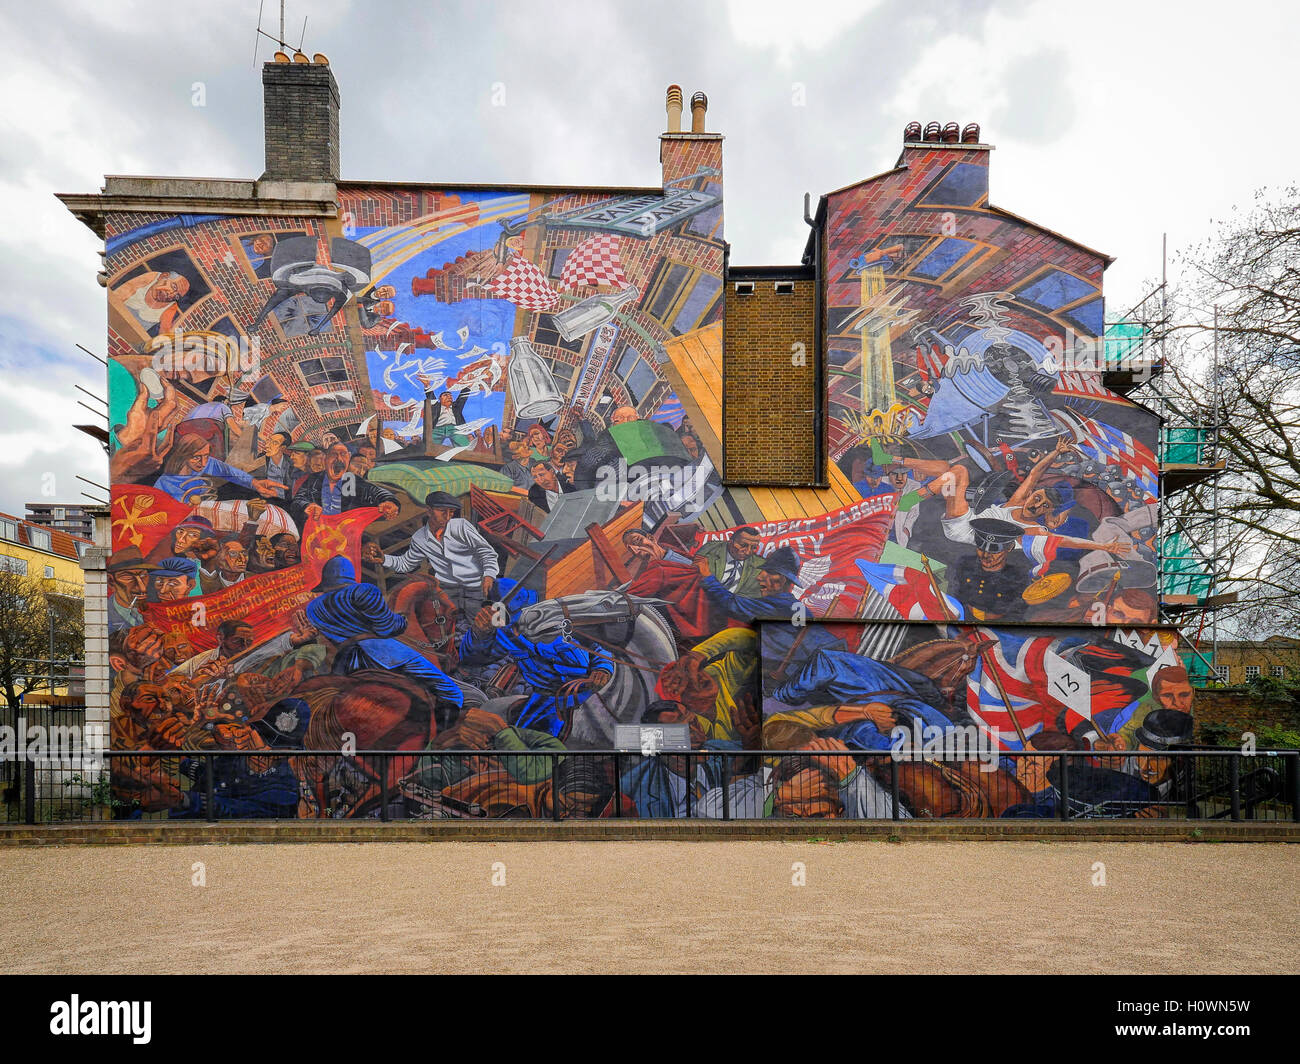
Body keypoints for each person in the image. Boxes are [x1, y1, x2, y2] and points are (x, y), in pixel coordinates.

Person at [305, 557, 463, 728]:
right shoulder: (364, 591)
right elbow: (386, 627)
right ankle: (441, 735)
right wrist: (401, 620)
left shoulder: (313, 608)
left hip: (344, 662)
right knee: (450, 691)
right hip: (381, 652)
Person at [365, 491, 498, 620]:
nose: (447, 517)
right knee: (440, 626)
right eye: (442, 511)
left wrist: (489, 575)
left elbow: (486, 552)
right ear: (429, 511)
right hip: (446, 590)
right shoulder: (420, 538)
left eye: (451, 512)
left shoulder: (461, 526)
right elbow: (406, 564)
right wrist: (383, 559)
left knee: (479, 623)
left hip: (474, 586)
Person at [290, 442, 399, 528]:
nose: (339, 459)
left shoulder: (353, 480)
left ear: (348, 457)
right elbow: (298, 500)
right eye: (334, 454)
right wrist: (306, 506)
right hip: (318, 532)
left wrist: (390, 502)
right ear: (326, 458)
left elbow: (378, 492)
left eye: (343, 454)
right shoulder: (313, 479)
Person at [155, 435, 285, 503]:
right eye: (197, 457)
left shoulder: (201, 464)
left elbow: (228, 471)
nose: (204, 462)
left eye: (206, 456)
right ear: (183, 455)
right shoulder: (164, 483)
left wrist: (255, 483)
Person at [693, 527, 763, 595]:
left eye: (754, 548)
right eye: (742, 545)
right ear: (730, 542)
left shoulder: (759, 565)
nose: (748, 552)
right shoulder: (711, 551)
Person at [107, 548, 151, 633]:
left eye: (143, 575)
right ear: (111, 582)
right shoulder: (105, 614)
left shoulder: (153, 611)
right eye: (128, 577)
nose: (142, 588)